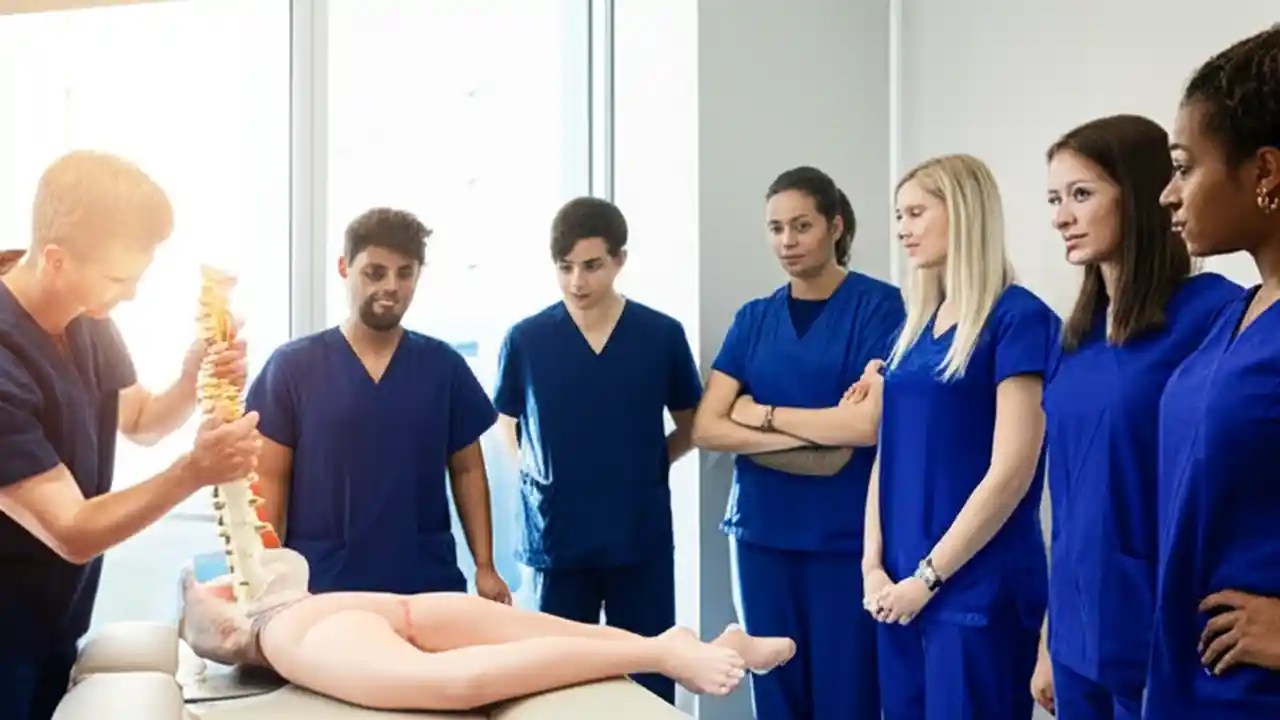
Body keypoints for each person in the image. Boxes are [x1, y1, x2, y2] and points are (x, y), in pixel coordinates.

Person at [0, 151, 260, 720]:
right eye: (120, 279)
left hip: (53, 619)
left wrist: (196, 375)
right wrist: (196, 470)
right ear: (56, 260)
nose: (131, 294)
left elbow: (142, 420)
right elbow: (70, 531)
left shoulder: (87, 318)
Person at [1030, 115, 1243, 719]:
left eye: (1081, 194)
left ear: (1144, 193)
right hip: (1075, 625)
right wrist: (1049, 638)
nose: (1060, 216)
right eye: (1054, 199)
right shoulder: (1073, 339)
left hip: (1160, 626)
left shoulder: (1215, 315)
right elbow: (1067, 497)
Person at [693, 166, 906, 720]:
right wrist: (817, 438)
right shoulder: (754, 318)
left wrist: (758, 415)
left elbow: (863, 429)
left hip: (843, 538)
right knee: (775, 692)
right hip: (762, 533)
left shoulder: (880, 308)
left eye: (801, 226)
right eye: (775, 228)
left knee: (847, 692)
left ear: (835, 226)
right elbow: (708, 428)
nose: (786, 241)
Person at [861, 154, 1057, 720]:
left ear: (964, 212)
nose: (903, 229)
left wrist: (928, 576)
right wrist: (873, 565)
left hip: (974, 590)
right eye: (899, 215)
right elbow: (888, 457)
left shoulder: (1018, 320)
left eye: (916, 212)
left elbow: (1011, 472)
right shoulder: (913, 328)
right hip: (897, 592)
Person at [492, 196, 702, 704]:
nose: (577, 283)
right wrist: (536, 474)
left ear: (620, 260)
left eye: (592, 266)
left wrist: (649, 464)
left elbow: (693, 425)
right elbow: (508, 421)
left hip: (638, 536)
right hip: (558, 539)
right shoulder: (528, 339)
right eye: (565, 268)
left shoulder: (659, 335)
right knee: (556, 683)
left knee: (649, 674)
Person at [245, 208, 510, 602]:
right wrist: (264, 577)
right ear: (343, 268)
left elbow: (468, 469)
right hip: (322, 586)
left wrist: (485, 566)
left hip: (425, 584)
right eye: (375, 272)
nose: (391, 286)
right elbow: (269, 478)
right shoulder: (293, 368)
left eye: (405, 273)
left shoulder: (443, 367)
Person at [179, 547, 797, 712]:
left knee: (455, 681)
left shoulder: (244, 616)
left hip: (303, 628)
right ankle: (699, 645)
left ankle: (666, 654)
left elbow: (217, 634)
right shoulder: (267, 578)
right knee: (527, 628)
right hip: (382, 605)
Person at [1146, 25, 1280, 718]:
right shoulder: (1239, 313)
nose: (1169, 195)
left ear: (1264, 173)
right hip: (1192, 684)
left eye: (1183, 166)